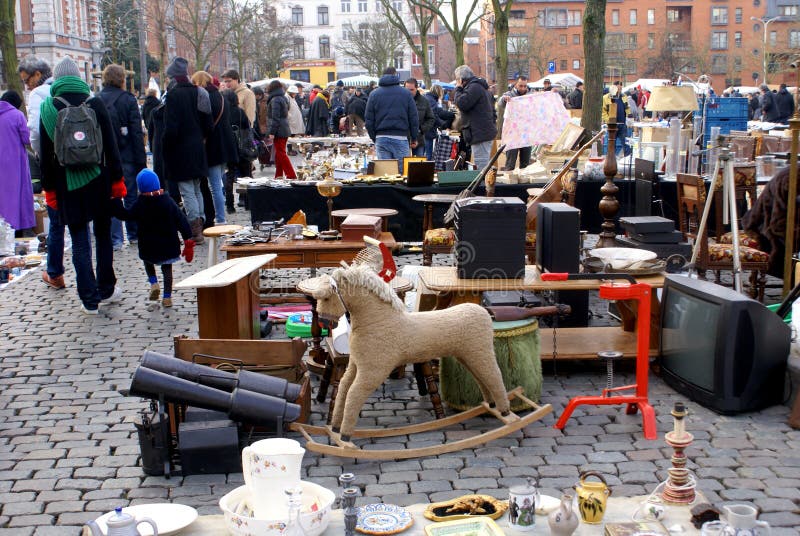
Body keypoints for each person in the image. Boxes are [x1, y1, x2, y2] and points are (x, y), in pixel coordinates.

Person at [39, 56, 125, 314]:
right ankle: (106, 288)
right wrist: (117, 179)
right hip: (99, 178)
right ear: (78, 77)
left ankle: (89, 299)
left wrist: (49, 189)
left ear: (56, 79)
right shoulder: (94, 102)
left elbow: (46, 154)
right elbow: (110, 145)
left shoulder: (48, 108)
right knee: (103, 235)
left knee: (79, 240)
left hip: (67, 183)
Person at [112, 169, 194, 308]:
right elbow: (182, 220)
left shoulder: (141, 203)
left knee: (148, 262)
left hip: (148, 245)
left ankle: (154, 282)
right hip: (168, 244)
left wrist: (116, 202)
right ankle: (167, 297)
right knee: (167, 269)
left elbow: (127, 215)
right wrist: (188, 241)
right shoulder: (168, 201)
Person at [19, 56, 66, 289]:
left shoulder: (39, 95)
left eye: (27, 80)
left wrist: (40, 157)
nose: (27, 86)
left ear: (38, 75)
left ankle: (55, 273)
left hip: (53, 166)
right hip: (78, 163)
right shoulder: (65, 89)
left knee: (56, 222)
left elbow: (36, 133)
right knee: (81, 227)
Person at [162, 57, 213, 243]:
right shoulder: (199, 92)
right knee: (196, 188)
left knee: (187, 190)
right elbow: (208, 124)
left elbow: (171, 128)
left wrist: (165, 146)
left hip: (180, 150)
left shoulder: (173, 96)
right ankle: (200, 223)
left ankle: (194, 228)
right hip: (197, 147)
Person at [99, 64, 147, 250]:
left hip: (105, 157)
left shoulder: (97, 99)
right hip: (127, 154)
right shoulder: (128, 99)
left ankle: (115, 238)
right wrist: (141, 160)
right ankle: (134, 233)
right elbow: (136, 132)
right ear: (122, 79)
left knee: (111, 196)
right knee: (131, 195)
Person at [192, 70, 236, 224]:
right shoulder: (220, 96)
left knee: (215, 186)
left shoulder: (206, 98)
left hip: (213, 146)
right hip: (225, 145)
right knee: (218, 183)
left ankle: (220, 218)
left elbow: (206, 124)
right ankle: (221, 215)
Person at [365, 67, 418, 172]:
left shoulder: (374, 94)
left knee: (386, 173)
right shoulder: (406, 93)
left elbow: (369, 120)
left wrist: (374, 137)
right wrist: (414, 137)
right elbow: (413, 117)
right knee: (403, 172)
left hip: (381, 137)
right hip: (400, 137)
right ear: (395, 75)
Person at [0, 91, 35, 233]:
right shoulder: (17, 115)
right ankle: (19, 227)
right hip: (15, 162)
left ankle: (3, 229)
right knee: (18, 194)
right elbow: (27, 139)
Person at [453, 65, 497, 170]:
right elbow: (493, 112)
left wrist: (458, 88)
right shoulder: (482, 87)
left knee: (481, 166)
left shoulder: (474, 88)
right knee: (483, 163)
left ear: (461, 79)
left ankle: (483, 181)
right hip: (484, 131)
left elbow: (461, 103)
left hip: (480, 133)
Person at [223, 89, 252, 212]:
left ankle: (230, 205)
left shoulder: (223, 113)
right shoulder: (240, 112)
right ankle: (247, 202)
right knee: (246, 175)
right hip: (242, 147)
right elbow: (247, 127)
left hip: (229, 148)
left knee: (229, 176)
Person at [496, 76, 531, 170]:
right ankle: (509, 177)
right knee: (510, 164)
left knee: (525, 164)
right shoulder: (510, 94)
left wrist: (552, 93)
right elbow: (500, 103)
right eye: (520, 86)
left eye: (525, 86)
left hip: (526, 134)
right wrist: (504, 99)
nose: (523, 88)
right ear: (516, 85)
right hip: (512, 134)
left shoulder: (530, 95)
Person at [266, 79, 296, 179]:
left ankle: (291, 175)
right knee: (279, 153)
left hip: (279, 130)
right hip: (284, 128)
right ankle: (278, 175)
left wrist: (272, 132)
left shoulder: (275, 99)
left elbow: (275, 118)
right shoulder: (283, 98)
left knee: (281, 153)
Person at [423, 85, 454, 161]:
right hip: (428, 130)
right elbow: (433, 115)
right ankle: (426, 168)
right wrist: (443, 124)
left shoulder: (428, 98)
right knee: (428, 155)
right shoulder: (432, 101)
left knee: (423, 154)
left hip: (424, 129)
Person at [405, 78, 435, 157]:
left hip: (419, 139)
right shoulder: (400, 101)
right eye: (407, 90)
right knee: (403, 163)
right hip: (403, 139)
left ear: (416, 88)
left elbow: (431, 118)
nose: (409, 92)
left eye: (411, 90)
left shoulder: (424, 101)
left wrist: (421, 129)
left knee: (418, 162)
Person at [602, 81, 630, 156]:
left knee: (626, 143)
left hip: (622, 124)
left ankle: (627, 158)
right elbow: (603, 111)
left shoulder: (624, 96)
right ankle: (609, 158)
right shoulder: (606, 98)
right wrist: (609, 120)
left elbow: (627, 108)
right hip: (612, 125)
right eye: (618, 88)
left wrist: (629, 118)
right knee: (610, 144)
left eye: (621, 89)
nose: (619, 90)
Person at [141, 87, 160, 152]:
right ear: (155, 94)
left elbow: (143, 114)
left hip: (147, 122)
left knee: (150, 134)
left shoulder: (145, 103)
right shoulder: (158, 102)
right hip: (156, 122)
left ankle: (150, 146)